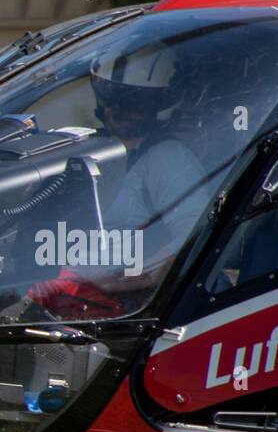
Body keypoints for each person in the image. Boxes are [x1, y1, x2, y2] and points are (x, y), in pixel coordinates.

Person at [27, 39, 209, 320]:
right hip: (58, 288)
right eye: (110, 98)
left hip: (116, 306)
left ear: (158, 104)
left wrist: (120, 281)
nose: (117, 108)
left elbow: (195, 236)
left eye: (131, 101)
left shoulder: (167, 157)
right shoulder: (85, 148)